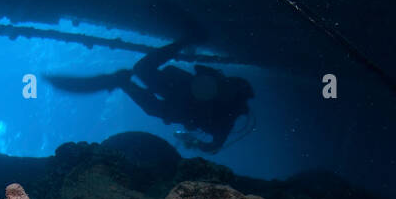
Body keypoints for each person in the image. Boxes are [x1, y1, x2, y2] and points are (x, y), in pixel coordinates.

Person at [45, 39, 254, 154]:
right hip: (179, 102)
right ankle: (123, 82)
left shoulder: (225, 113)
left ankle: (125, 80)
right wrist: (195, 143)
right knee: (150, 101)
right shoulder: (226, 119)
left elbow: (201, 70)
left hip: (179, 92)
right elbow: (214, 145)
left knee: (143, 72)